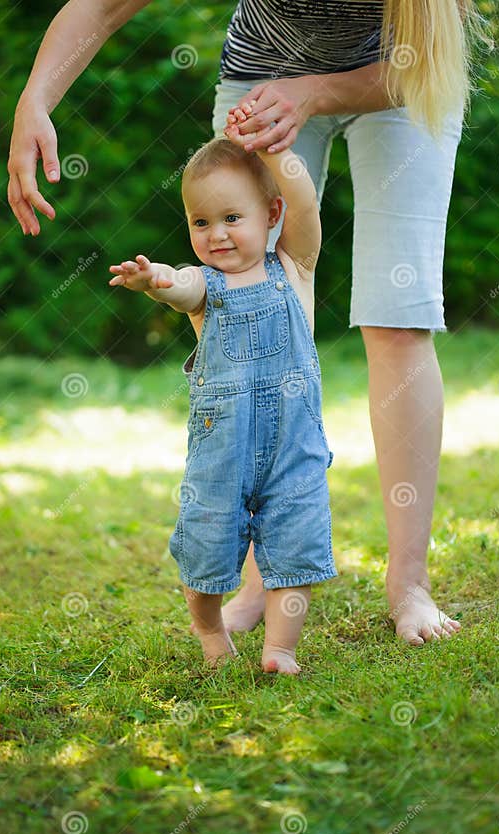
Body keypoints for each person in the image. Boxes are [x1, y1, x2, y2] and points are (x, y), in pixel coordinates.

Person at [8, 0, 489, 646]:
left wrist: (315, 90)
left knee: (399, 319)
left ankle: (409, 584)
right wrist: (34, 100)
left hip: (405, 75)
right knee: (256, 311)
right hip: (263, 75)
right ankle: (266, 583)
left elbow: (433, 58)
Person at [109, 117, 337, 672]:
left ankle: (280, 647)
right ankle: (210, 630)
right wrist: (157, 280)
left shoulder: (294, 268)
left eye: (233, 218)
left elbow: (306, 206)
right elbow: (181, 282)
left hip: (294, 449)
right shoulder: (205, 287)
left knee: (297, 549)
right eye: (201, 222)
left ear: (271, 216)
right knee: (207, 546)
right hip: (221, 454)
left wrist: (277, 150)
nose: (217, 234)